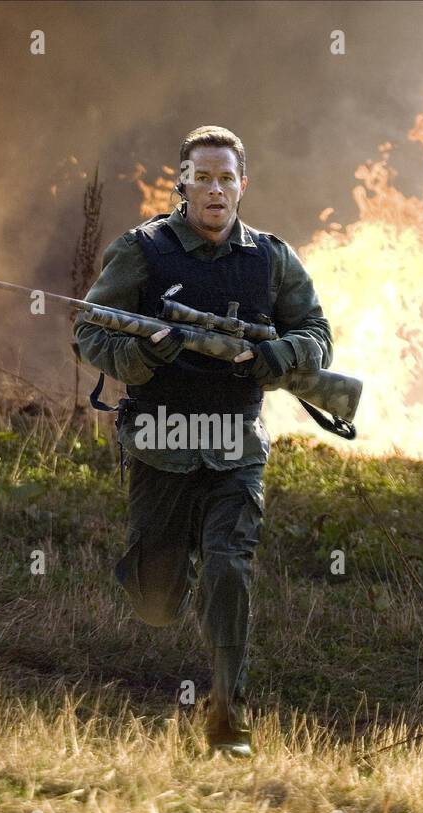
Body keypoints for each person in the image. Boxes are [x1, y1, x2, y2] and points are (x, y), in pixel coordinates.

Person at [73, 125, 333, 758]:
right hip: (160, 441)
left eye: (227, 178)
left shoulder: (271, 259)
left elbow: (319, 337)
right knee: (157, 601)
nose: (215, 190)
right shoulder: (142, 251)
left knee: (228, 565)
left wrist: (268, 356)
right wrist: (143, 357)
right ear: (182, 183)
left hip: (236, 446)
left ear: (243, 185)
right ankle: (170, 570)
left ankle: (227, 716)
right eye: (203, 177)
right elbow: (88, 334)